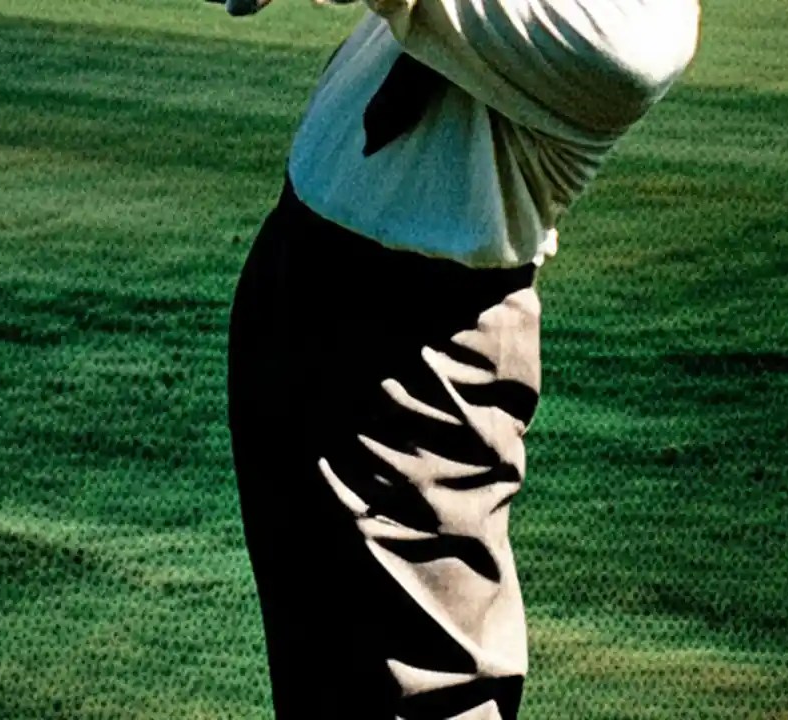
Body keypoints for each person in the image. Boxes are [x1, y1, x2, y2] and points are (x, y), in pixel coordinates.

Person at [223, 0, 701, 717]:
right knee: (322, 681)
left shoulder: (634, 34)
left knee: (426, 693)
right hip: (303, 287)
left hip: (415, 357)